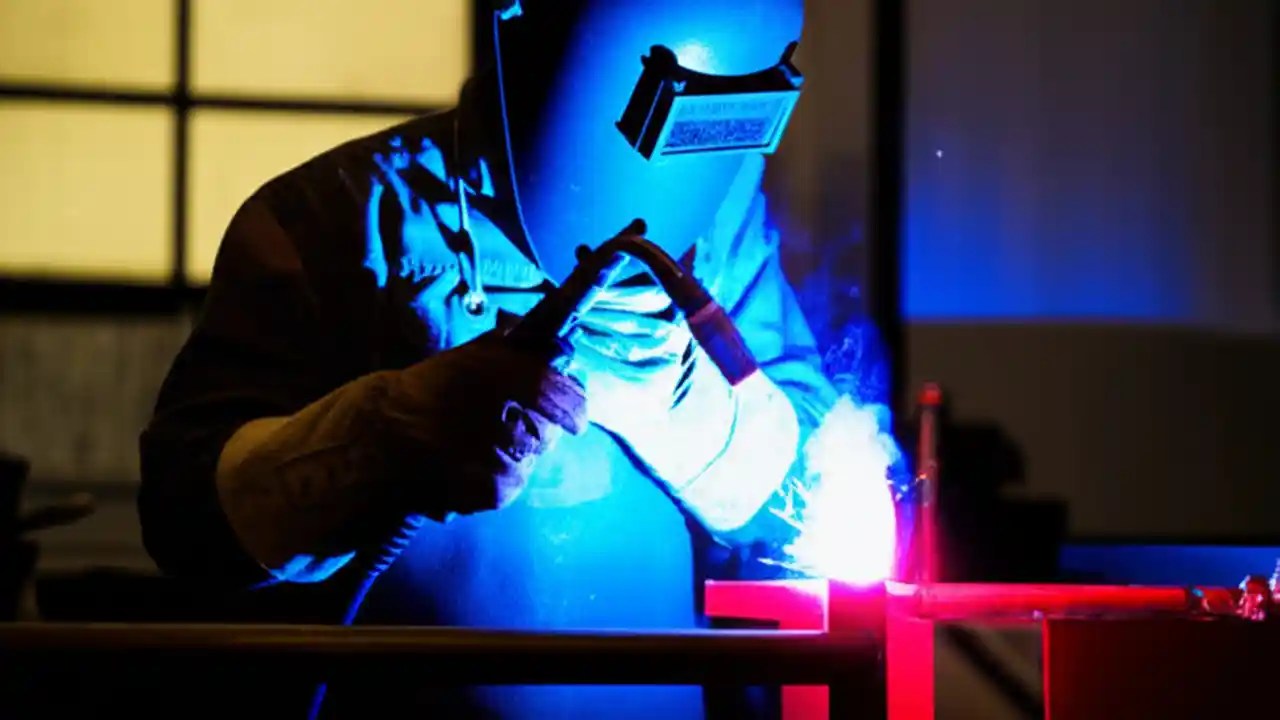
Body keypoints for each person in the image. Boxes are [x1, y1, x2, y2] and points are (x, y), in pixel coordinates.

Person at [138, 0, 838, 717]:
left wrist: (693, 414)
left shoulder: (722, 223)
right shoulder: (345, 216)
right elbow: (186, 521)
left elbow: (807, 509)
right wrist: (382, 432)